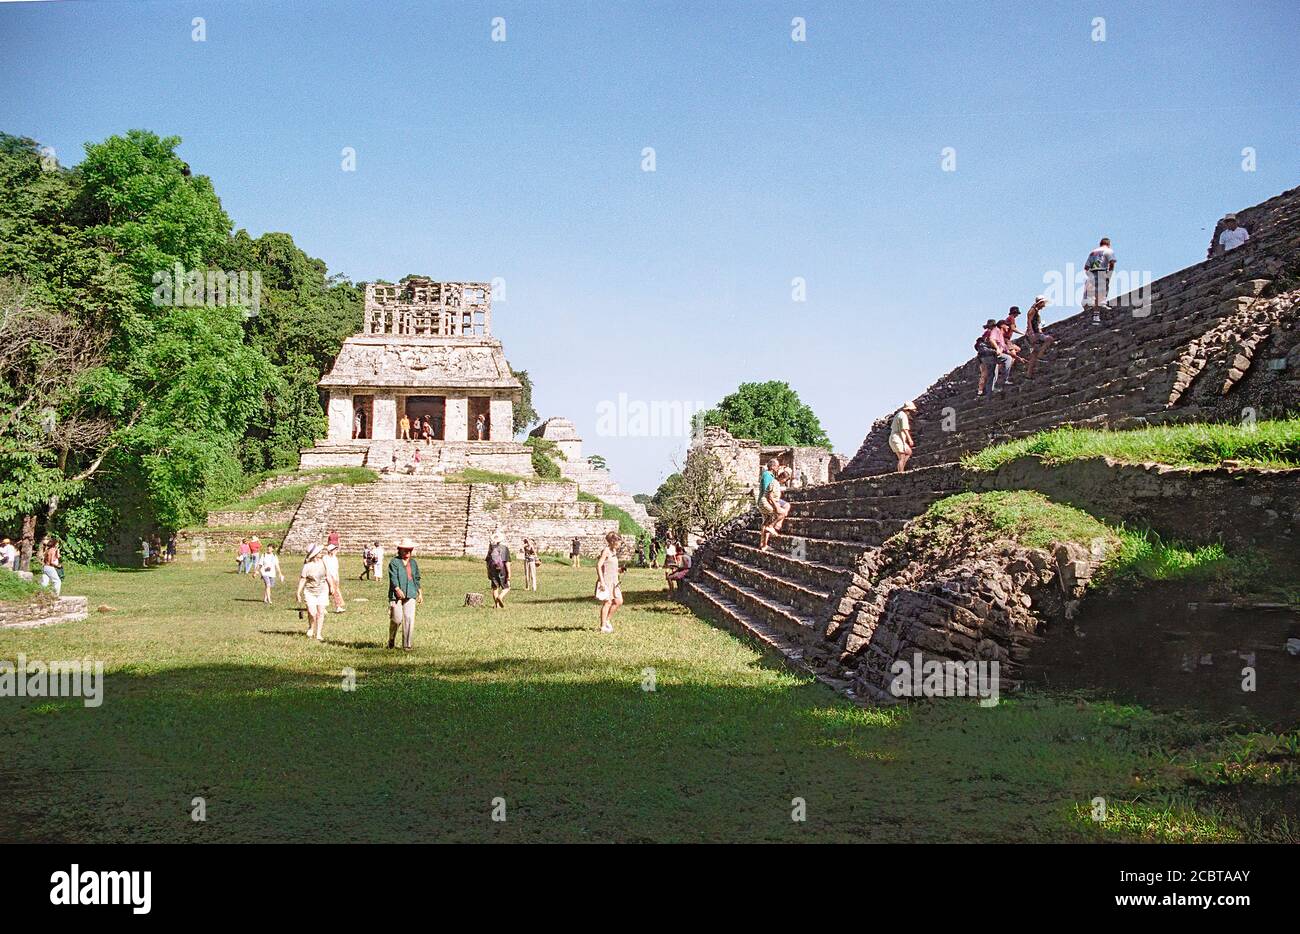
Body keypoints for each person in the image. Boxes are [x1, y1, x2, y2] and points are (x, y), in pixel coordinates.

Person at [387, 537, 422, 650]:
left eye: (409, 550)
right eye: (405, 550)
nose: (407, 552)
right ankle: (391, 639)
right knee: (396, 619)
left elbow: (416, 578)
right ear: (399, 550)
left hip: (410, 592)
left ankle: (407, 645)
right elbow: (393, 577)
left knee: (409, 619)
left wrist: (419, 592)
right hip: (396, 595)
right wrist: (397, 589)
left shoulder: (413, 563)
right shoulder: (394, 562)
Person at [297, 544, 331, 641]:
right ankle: (311, 627)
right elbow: (303, 579)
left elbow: (328, 575)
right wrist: (298, 592)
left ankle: (318, 633)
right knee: (312, 613)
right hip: (310, 591)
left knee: (320, 612)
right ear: (314, 554)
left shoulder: (323, 563)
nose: (321, 553)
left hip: (322, 590)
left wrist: (331, 586)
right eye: (319, 552)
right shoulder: (307, 566)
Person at [595, 531, 623, 633]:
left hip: (614, 581)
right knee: (608, 602)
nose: (620, 544)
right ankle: (603, 626)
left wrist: (619, 570)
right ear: (612, 541)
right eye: (619, 542)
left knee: (619, 601)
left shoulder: (614, 551)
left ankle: (607, 620)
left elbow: (611, 566)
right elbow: (598, 566)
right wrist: (602, 581)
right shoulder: (606, 551)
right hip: (606, 581)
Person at [1083, 237, 1116, 322]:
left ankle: (1095, 310)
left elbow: (1086, 267)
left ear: (1100, 244)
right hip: (1102, 271)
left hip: (1092, 272)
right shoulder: (1109, 251)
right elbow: (1112, 263)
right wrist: (1109, 274)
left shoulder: (1092, 252)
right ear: (1108, 244)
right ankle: (1102, 304)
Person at [1023, 295, 1055, 378]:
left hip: (1035, 333)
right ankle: (1040, 356)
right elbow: (1029, 322)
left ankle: (1029, 374)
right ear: (1040, 303)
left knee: (1034, 353)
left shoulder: (1035, 310)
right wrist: (1031, 334)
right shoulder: (1032, 310)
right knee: (1049, 339)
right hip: (1033, 333)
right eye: (1043, 303)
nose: (1044, 305)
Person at [888, 402, 917, 473]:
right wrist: (910, 439)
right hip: (897, 437)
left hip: (896, 437)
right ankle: (900, 472)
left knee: (908, 452)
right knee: (902, 456)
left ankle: (901, 470)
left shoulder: (899, 414)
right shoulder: (903, 416)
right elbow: (904, 429)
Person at [487, 532, 511, 608]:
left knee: (495, 588)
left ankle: (497, 605)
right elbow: (507, 562)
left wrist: (488, 572)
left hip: (492, 570)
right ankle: (500, 597)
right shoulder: (504, 548)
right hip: (502, 570)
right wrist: (509, 573)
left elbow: (487, 561)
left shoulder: (491, 548)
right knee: (507, 587)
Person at [323, 543, 345, 613]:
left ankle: (338, 606)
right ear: (330, 551)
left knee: (336, 591)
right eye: (335, 550)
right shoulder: (325, 558)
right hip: (327, 577)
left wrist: (337, 578)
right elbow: (326, 569)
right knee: (328, 591)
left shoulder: (335, 558)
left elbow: (336, 569)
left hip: (334, 576)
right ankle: (323, 607)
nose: (336, 551)